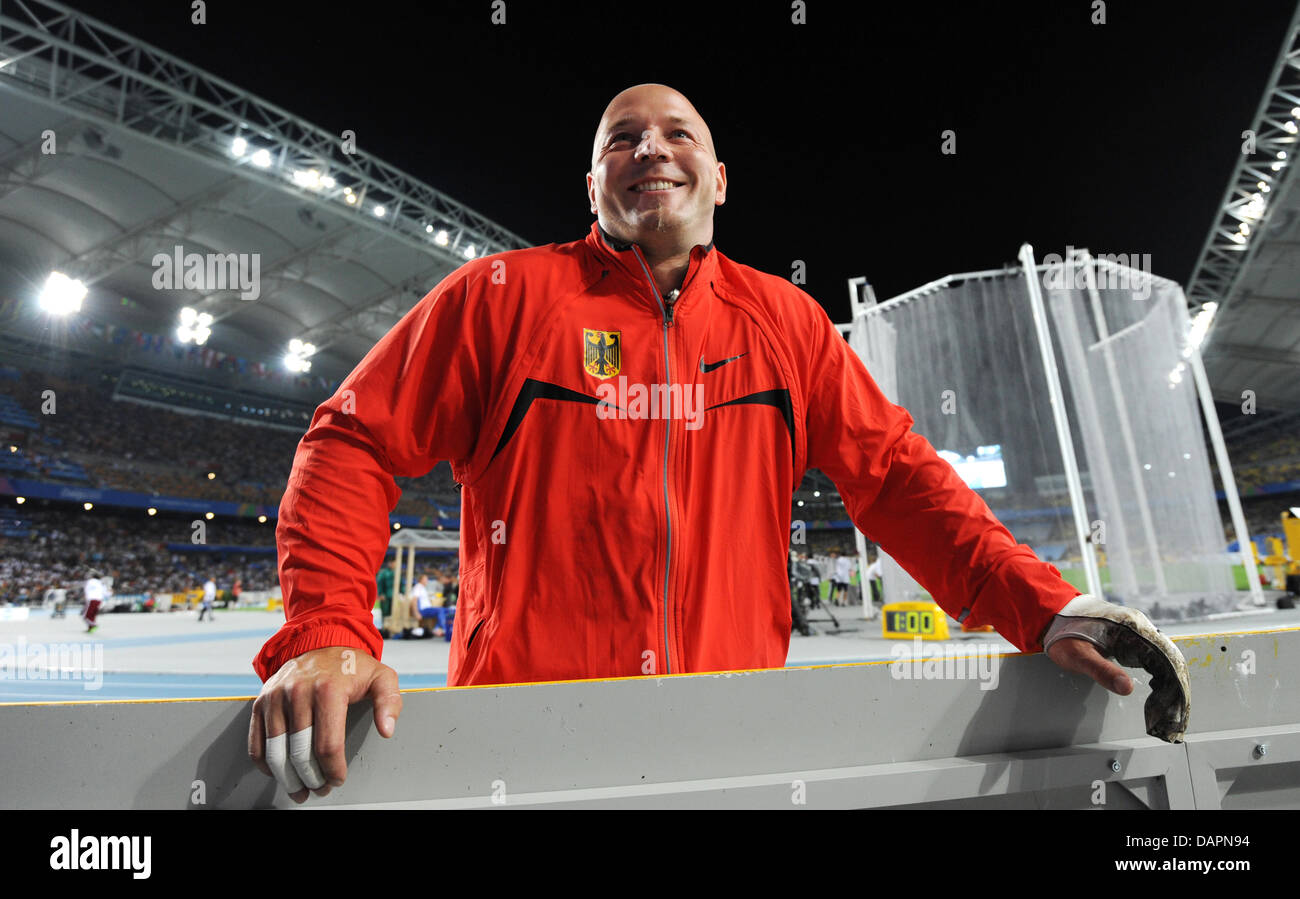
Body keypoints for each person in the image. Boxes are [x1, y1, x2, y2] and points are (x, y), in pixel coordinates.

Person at [249, 83, 1189, 803]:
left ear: (720, 177)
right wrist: (328, 630)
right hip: (523, 747)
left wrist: (1046, 605)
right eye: (621, 138)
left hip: (734, 748)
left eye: (676, 134)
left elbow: (898, 477)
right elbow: (351, 440)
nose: (648, 147)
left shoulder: (787, 322)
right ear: (593, 184)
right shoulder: (500, 298)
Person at [81, 569, 104, 633]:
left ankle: (94, 625)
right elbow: (104, 592)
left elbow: (86, 589)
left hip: (91, 599)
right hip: (99, 600)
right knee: (92, 615)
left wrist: (85, 597)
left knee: (85, 616)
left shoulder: (90, 581)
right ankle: (90, 628)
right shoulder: (100, 582)